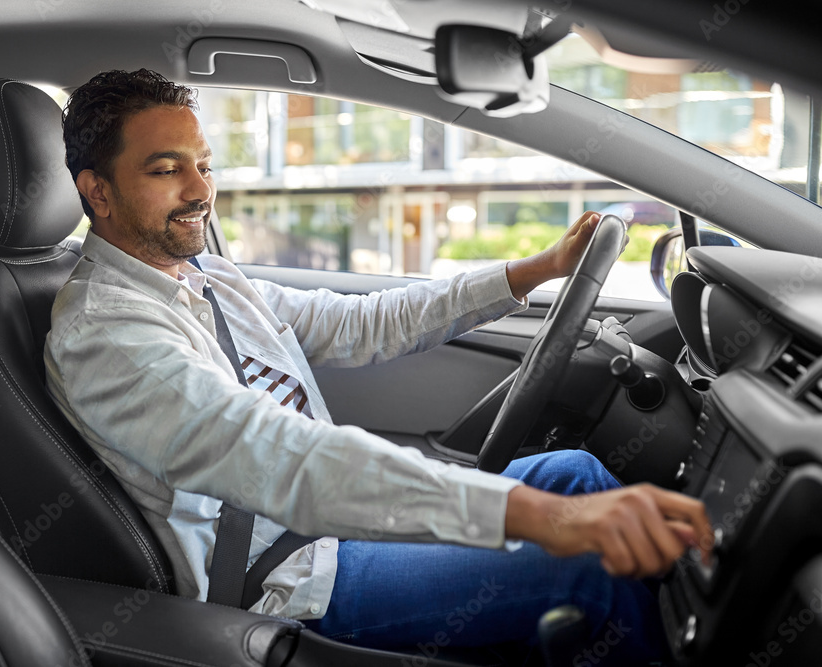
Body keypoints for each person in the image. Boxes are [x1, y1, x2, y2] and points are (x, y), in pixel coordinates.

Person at [45, 68, 712, 663]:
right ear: (98, 192)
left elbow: (362, 323)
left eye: (204, 164)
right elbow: (279, 456)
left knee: (578, 474)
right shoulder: (106, 333)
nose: (200, 190)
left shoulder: (206, 277)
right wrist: (536, 517)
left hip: (328, 525)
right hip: (291, 577)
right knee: (587, 566)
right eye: (166, 170)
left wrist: (534, 271)